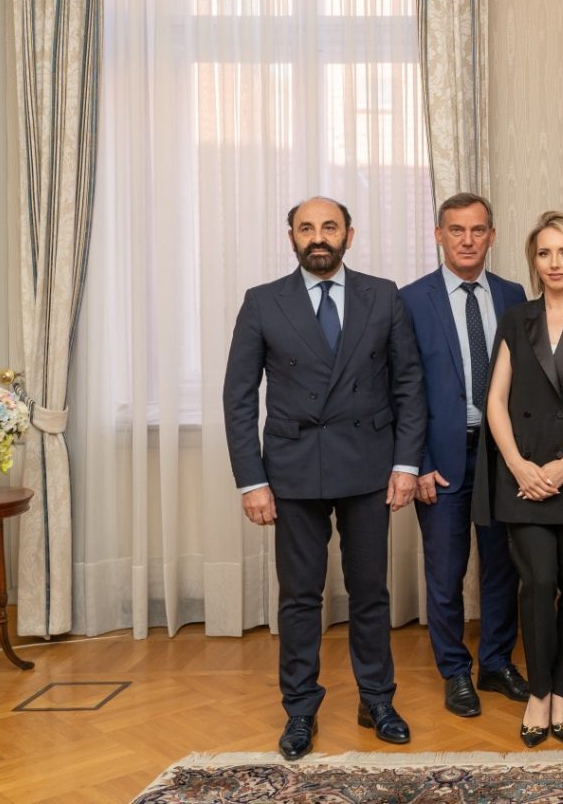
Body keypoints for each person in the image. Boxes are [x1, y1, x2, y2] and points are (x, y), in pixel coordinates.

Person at [223, 196, 426, 760]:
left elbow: (409, 384)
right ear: (290, 236)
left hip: (368, 467)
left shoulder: (382, 295)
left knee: (370, 594)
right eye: (306, 227)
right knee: (299, 598)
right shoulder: (262, 302)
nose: (319, 237)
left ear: (349, 235)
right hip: (290, 472)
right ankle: (300, 711)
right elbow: (238, 398)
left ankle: (377, 700)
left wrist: (406, 464)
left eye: (329, 227)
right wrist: (251, 480)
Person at [477, 210, 563, 747]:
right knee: (536, 585)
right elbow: (495, 399)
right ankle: (538, 692)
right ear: (533, 261)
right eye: (544, 253)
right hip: (524, 474)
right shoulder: (516, 319)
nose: (554, 263)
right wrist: (517, 464)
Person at [399, 193, 529, 718]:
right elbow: (402, 388)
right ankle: (455, 671)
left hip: (503, 459)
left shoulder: (514, 294)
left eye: (478, 230)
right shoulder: (410, 300)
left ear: (492, 236)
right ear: (438, 235)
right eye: (457, 230)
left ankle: (495, 663)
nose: (468, 240)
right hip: (442, 461)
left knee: (504, 569)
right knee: (446, 571)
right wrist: (417, 461)